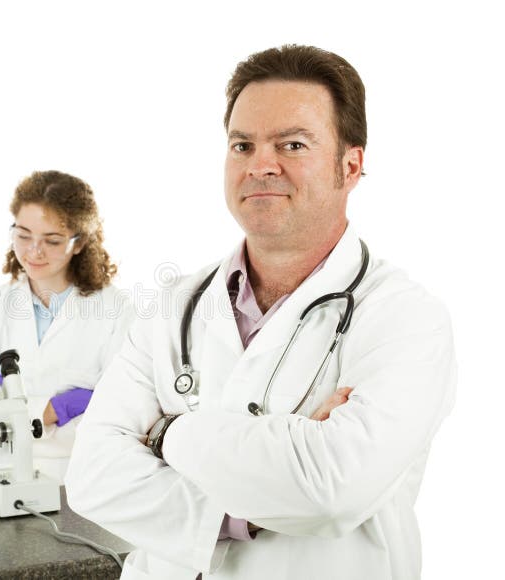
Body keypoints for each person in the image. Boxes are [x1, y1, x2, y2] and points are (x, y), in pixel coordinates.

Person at [66, 45, 456, 579]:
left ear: (351, 164)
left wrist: (167, 437)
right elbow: (91, 475)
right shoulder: (172, 306)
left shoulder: (405, 319)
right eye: (242, 145)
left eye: (292, 144)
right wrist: (254, 500)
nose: (261, 165)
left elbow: (331, 489)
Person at [0, 170, 134, 482]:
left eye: (51, 240)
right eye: (23, 235)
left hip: (79, 484)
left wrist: (7, 412)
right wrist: (50, 411)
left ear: (79, 243)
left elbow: (118, 420)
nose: (34, 251)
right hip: (1, 479)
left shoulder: (116, 312)